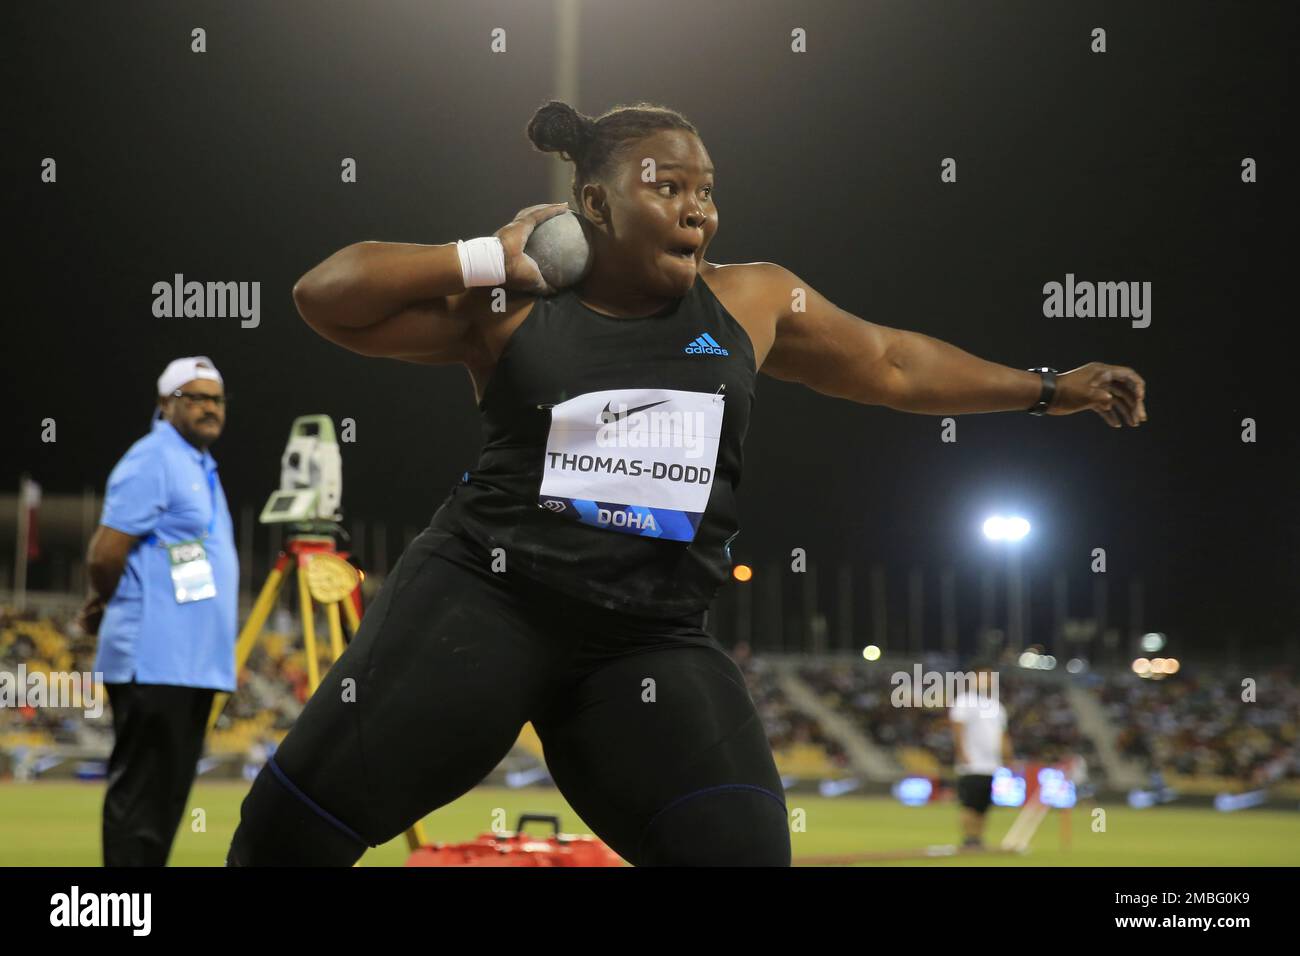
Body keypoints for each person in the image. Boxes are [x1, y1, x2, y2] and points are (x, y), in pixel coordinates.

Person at [227, 100, 1147, 867]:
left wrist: (1047, 390)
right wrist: (484, 256)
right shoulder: (513, 308)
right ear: (591, 201)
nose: (698, 208)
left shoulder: (752, 300)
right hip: (483, 602)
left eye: (706, 189)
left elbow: (893, 364)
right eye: (666, 185)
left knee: (740, 853)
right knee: (282, 843)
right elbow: (327, 296)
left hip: (647, 640)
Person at [76, 357, 238, 866]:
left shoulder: (198, 466)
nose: (210, 408)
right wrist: (105, 603)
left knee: (164, 803)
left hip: (192, 663)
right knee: (141, 803)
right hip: (155, 657)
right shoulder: (152, 458)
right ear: (166, 404)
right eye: (196, 398)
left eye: (217, 399)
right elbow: (105, 551)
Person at [948, 664, 1011, 850]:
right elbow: (957, 728)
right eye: (983, 676)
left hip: (991, 765)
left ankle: (978, 838)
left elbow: (1002, 734)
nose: (987, 680)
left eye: (990, 676)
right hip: (972, 764)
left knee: (983, 805)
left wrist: (1008, 755)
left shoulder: (997, 706)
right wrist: (962, 753)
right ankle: (969, 838)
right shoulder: (964, 701)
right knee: (970, 804)